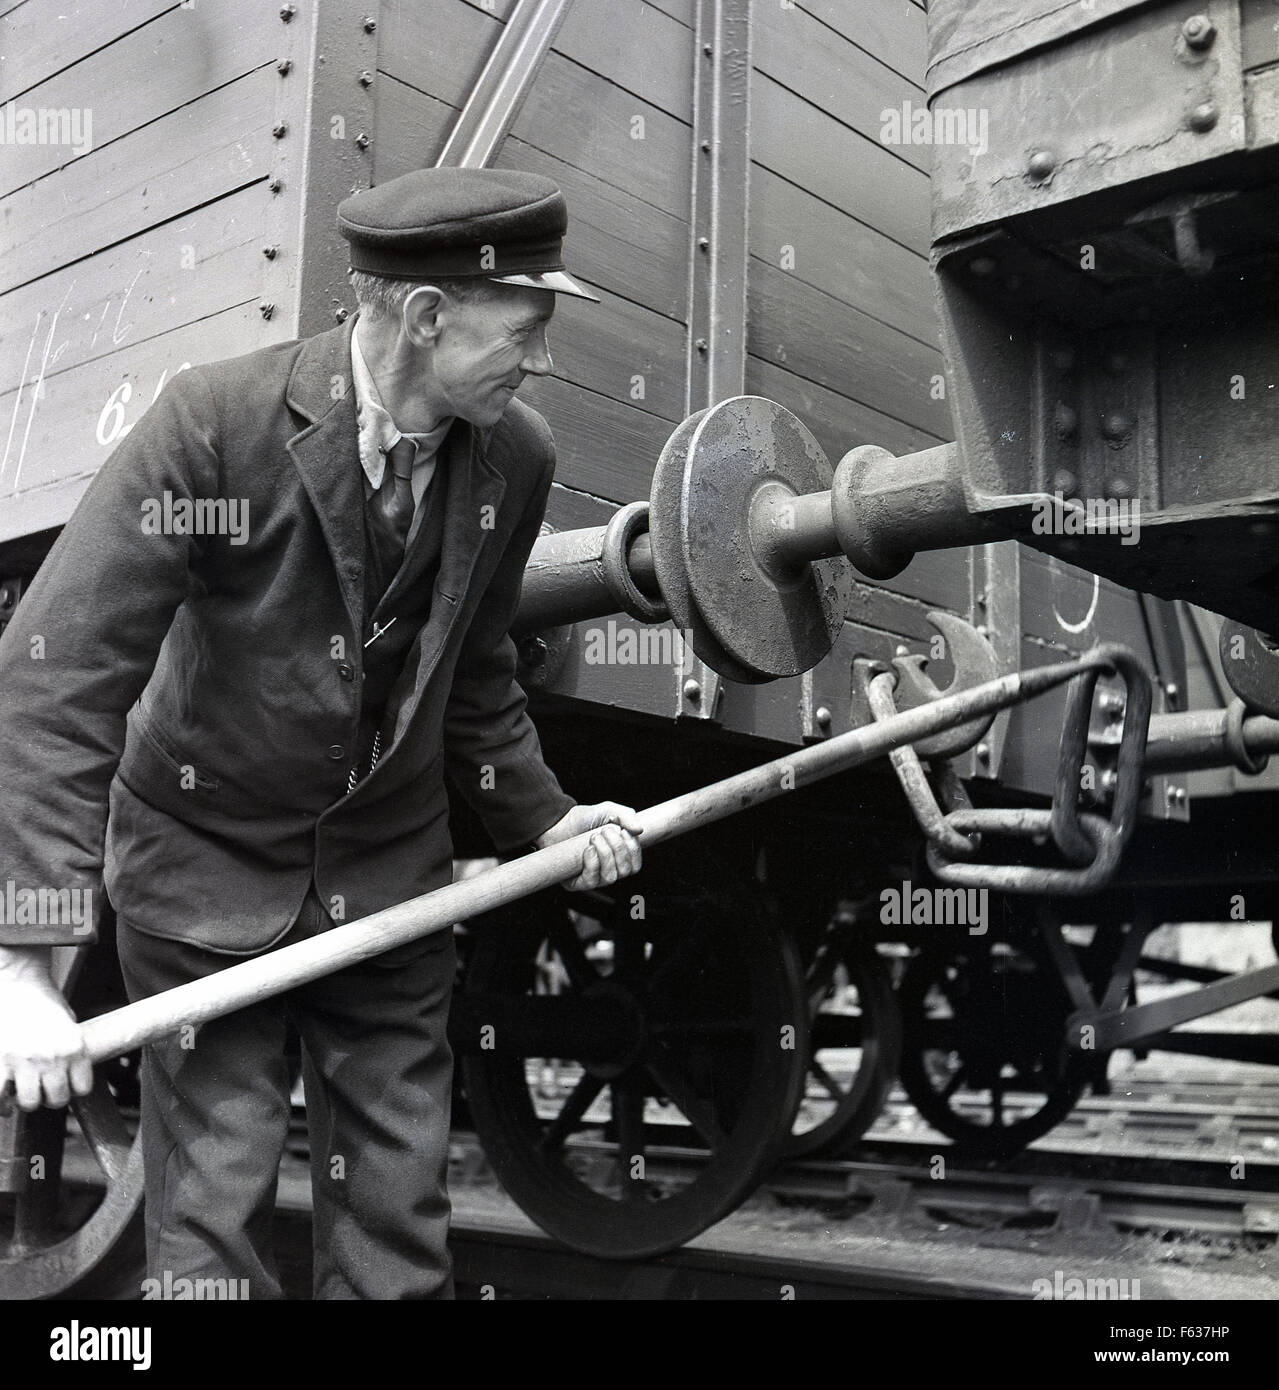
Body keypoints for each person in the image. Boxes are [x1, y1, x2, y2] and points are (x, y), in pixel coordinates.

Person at [0, 167, 643, 1298]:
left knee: (397, 1224)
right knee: (211, 1211)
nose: (538, 360)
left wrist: (544, 823)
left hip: (389, 878)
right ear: (428, 315)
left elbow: (476, 668)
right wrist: (22, 962)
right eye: (525, 330)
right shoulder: (214, 425)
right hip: (199, 875)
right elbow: (57, 675)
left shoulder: (517, 458)